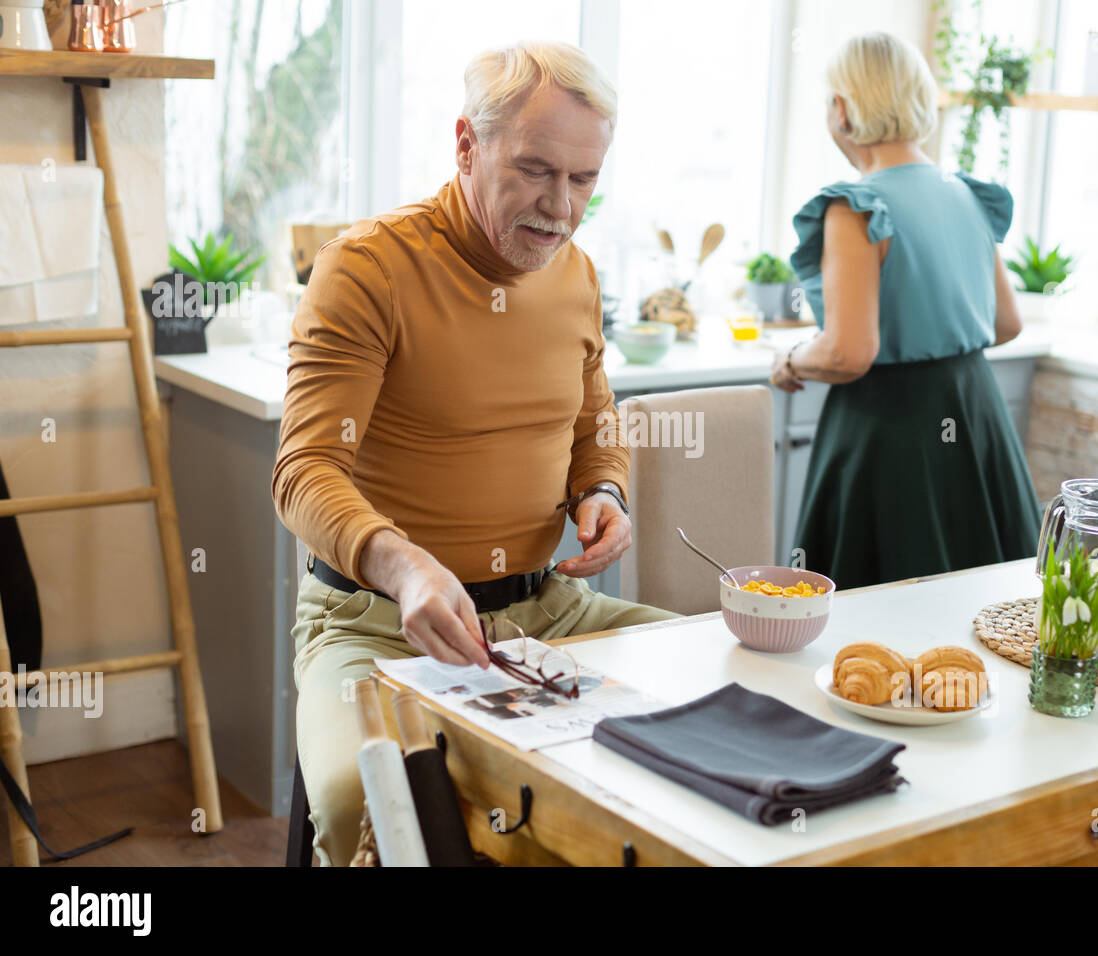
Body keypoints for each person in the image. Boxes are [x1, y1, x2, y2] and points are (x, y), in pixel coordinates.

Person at [272, 41, 678, 866]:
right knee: (369, 801)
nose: (560, 207)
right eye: (535, 170)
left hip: (552, 616)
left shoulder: (579, 273)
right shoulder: (367, 268)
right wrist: (406, 565)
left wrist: (604, 490)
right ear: (466, 145)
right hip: (374, 623)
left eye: (583, 180)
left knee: (717, 700)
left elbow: (596, 421)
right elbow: (303, 472)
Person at [769, 32, 1041, 590]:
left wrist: (792, 358)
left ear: (843, 110)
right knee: (976, 606)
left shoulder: (856, 205)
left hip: (890, 430)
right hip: (975, 413)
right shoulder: (963, 192)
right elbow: (1006, 323)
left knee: (880, 618)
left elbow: (848, 352)